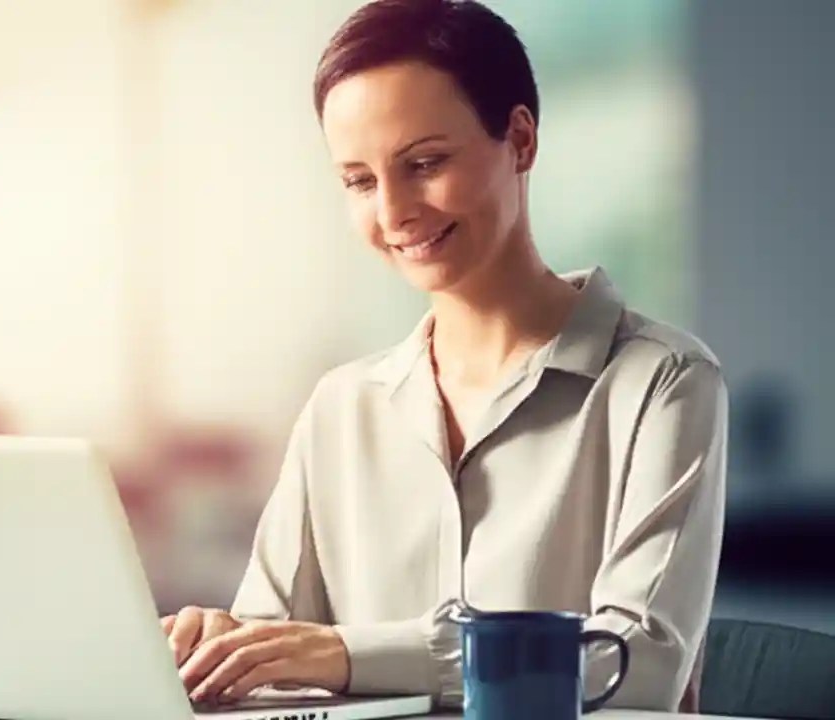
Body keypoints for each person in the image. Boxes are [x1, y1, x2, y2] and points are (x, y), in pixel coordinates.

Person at [160, 0, 726, 713]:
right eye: (360, 181)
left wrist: (343, 653)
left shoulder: (661, 384)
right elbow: (275, 654)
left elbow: (634, 665)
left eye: (423, 163)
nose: (394, 212)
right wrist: (223, 646)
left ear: (520, 140)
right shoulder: (342, 406)